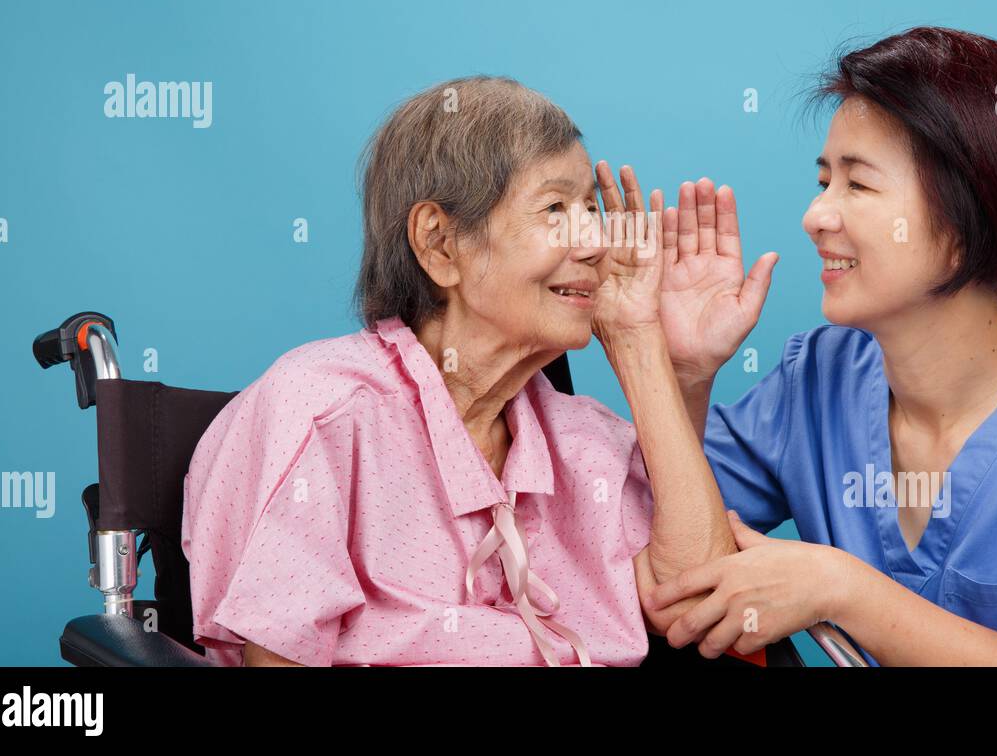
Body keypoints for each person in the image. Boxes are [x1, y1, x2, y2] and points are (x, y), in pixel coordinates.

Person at [640, 26, 997, 666]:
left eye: (858, 185)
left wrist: (840, 589)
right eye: (824, 183)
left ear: (966, 223)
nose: (816, 216)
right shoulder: (819, 376)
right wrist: (684, 372)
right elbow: (662, 543)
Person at [180, 76, 733, 666]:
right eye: (555, 208)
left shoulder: (584, 441)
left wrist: (636, 339)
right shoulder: (323, 413)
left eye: (591, 210)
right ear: (440, 243)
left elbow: (695, 602)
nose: (596, 241)